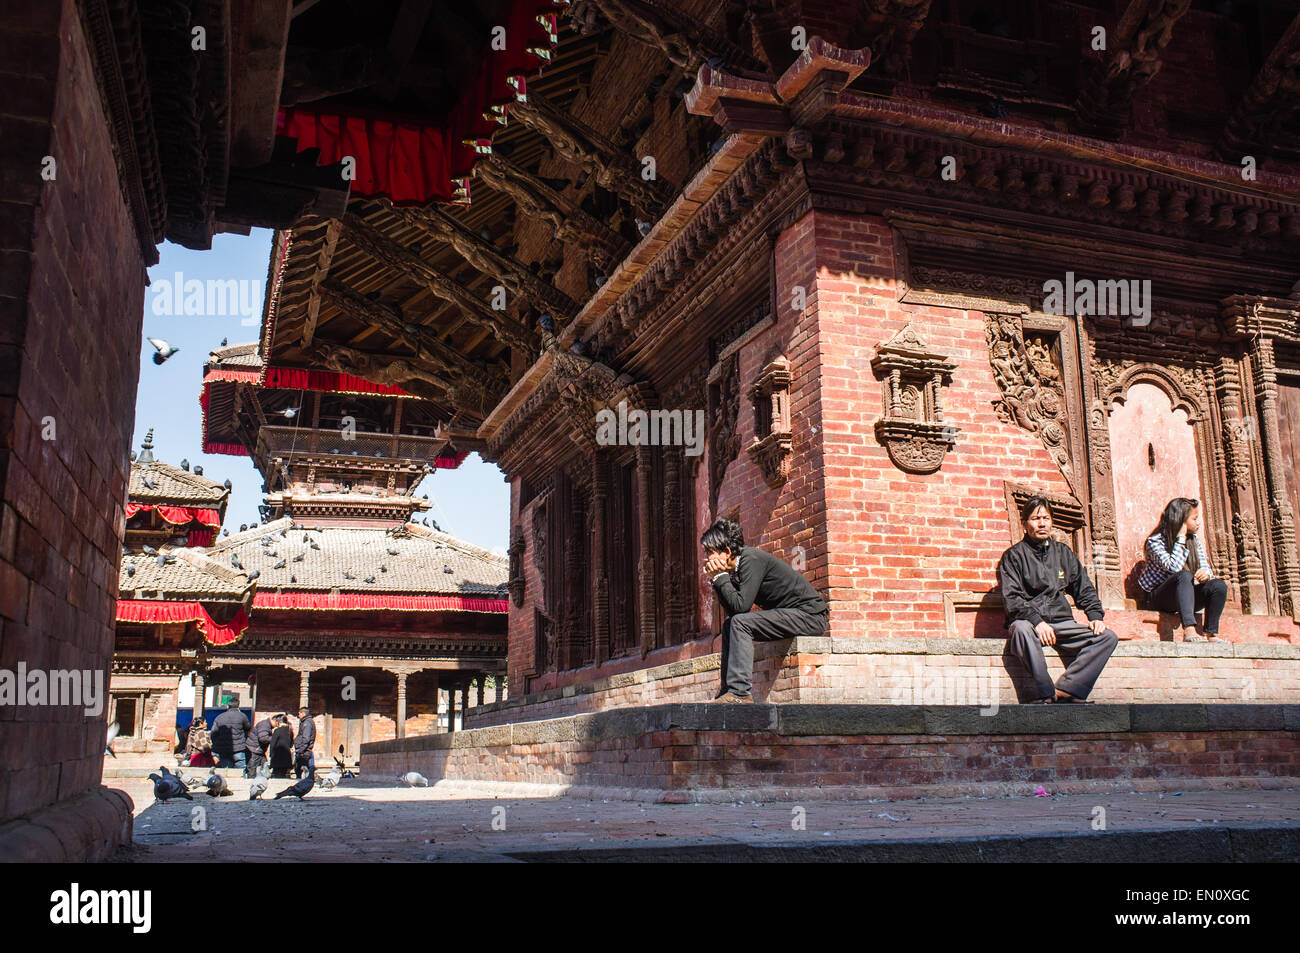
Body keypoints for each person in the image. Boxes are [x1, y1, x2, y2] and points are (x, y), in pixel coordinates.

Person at [997, 496, 1119, 703]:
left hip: (1062, 623)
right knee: (1021, 630)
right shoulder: (1013, 556)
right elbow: (1013, 598)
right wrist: (1038, 622)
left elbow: (1084, 588)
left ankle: (1069, 689)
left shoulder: (1063, 553)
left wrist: (1096, 615)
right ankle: (1044, 693)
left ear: (1052, 521)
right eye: (1036, 518)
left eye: (1046, 518)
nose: (1042, 523)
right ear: (1024, 523)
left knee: (1107, 637)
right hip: (1030, 625)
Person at [702, 518, 829, 703]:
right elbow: (734, 611)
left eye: (710, 552)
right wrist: (719, 580)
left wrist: (720, 578)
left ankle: (740, 693)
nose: (706, 558)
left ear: (727, 552)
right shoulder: (734, 570)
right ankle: (727, 691)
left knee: (739, 623)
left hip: (809, 616)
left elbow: (741, 606)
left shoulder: (750, 559)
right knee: (730, 624)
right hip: (789, 615)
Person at [1138, 497, 1229, 642]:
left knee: (1218, 585)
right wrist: (1180, 538)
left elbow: (1205, 566)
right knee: (1184, 575)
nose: (1198, 522)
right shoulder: (1155, 541)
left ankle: (1211, 634)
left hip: (1184, 595)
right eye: (1194, 518)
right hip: (1160, 596)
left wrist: (1206, 574)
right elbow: (1174, 568)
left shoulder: (1193, 540)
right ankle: (1189, 630)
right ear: (1181, 520)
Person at [209, 700, 249, 771]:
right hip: (239, 748)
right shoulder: (242, 716)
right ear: (238, 706)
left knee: (227, 771)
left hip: (224, 749)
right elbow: (248, 728)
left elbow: (213, 734)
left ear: (228, 707)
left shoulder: (219, 717)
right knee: (241, 770)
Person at [268, 714, 295, 778]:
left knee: (277, 776)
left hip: (277, 758)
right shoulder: (290, 731)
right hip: (286, 757)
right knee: (283, 775)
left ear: (279, 722)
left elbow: (273, 744)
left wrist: (271, 754)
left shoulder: (277, 731)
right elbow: (291, 744)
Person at [293, 707, 316, 778]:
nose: (298, 715)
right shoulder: (305, 722)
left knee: (302, 771)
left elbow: (306, 738)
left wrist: (301, 749)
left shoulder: (307, 723)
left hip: (304, 751)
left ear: (303, 713)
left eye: (299, 713)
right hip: (303, 750)